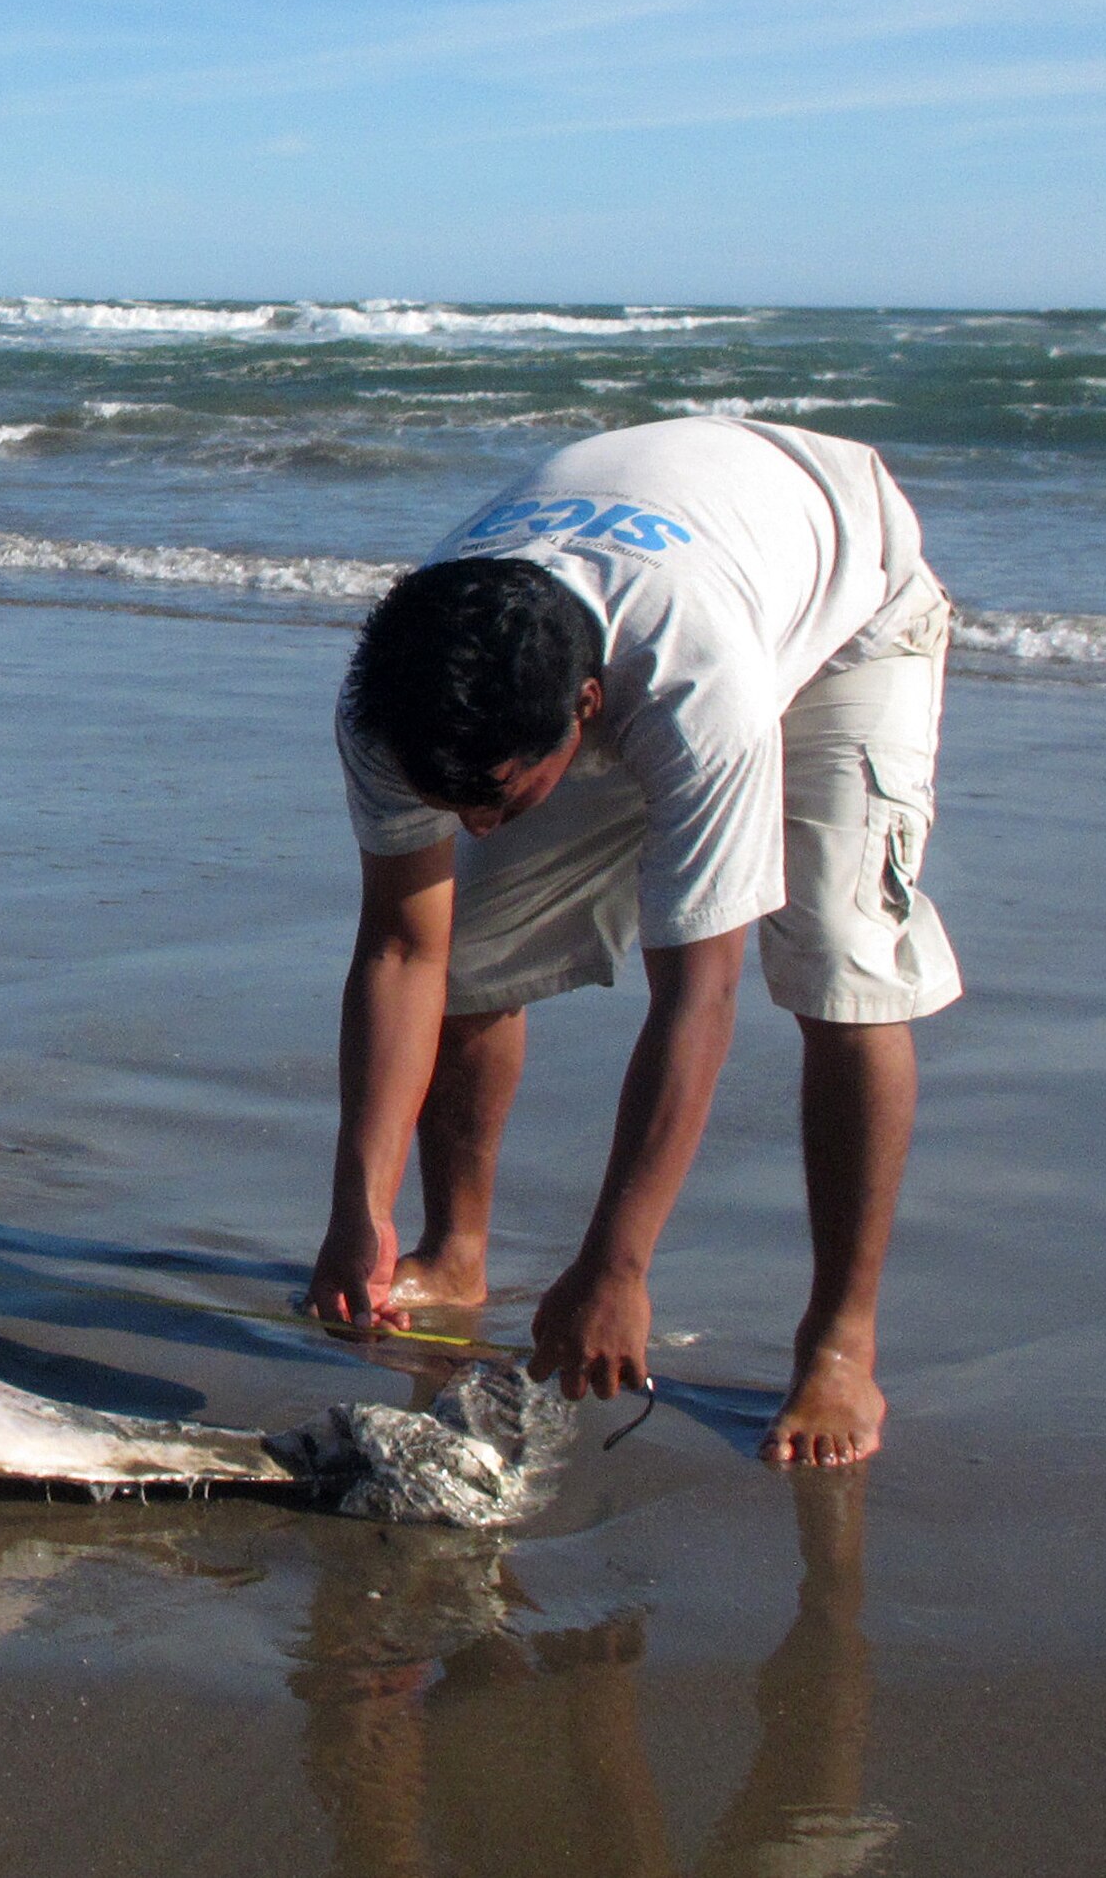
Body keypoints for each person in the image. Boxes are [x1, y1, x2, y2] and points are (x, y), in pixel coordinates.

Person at [306, 415, 958, 1467]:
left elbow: (698, 994)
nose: (477, 827)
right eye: (450, 801)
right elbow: (400, 952)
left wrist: (617, 1266)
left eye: (497, 798)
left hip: (847, 609)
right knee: (467, 953)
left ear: (586, 711)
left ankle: (841, 1342)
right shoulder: (391, 701)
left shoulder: (699, 691)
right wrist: (355, 1208)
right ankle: (451, 1250)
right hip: (668, 560)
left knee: (840, 967)